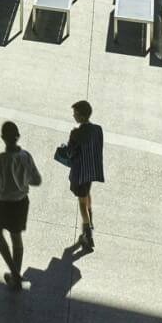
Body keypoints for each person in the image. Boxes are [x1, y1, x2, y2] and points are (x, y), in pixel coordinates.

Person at [0, 121, 42, 289]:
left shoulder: (0, 159)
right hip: (21, 203)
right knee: (16, 238)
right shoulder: (26, 156)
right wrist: (23, 180)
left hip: (3, 203)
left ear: (3, 138)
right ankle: (16, 274)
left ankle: (14, 273)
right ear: (18, 136)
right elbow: (36, 180)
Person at [64, 100, 104, 252]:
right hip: (91, 170)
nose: (73, 115)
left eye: (75, 113)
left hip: (79, 172)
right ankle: (90, 219)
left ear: (81, 116)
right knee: (87, 194)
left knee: (81, 203)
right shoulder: (97, 129)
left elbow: (69, 152)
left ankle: (87, 234)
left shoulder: (76, 133)